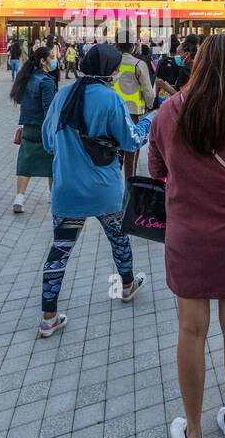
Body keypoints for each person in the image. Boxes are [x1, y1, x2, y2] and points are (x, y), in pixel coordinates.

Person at [38, 43, 153, 339]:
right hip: (105, 191)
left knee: (59, 251)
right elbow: (130, 142)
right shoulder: (110, 99)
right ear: (110, 72)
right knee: (119, 239)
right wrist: (151, 121)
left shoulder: (63, 94)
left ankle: (48, 316)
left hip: (67, 192)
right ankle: (127, 287)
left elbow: (48, 141)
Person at [11, 45, 57, 214]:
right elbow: (49, 109)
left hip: (28, 127)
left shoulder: (26, 78)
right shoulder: (46, 82)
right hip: (44, 128)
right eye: (51, 57)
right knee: (53, 162)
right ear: (42, 61)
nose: (53, 60)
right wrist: (53, 129)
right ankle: (54, 196)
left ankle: (19, 198)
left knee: (26, 163)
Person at [113, 40, 156, 178]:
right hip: (132, 113)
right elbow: (148, 91)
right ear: (133, 46)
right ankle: (129, 184)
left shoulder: (112, 63)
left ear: (117, 45)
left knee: (114, 148)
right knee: (131, 149)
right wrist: (150, 105)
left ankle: (114, 179)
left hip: (112, 110)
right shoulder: (138, 64)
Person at [154, 34, 198, 101]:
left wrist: (165, 86)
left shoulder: (185, 70)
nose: (176, 57)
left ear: (187, 54)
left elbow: (183, 98)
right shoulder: (198, 66)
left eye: (178, 54)